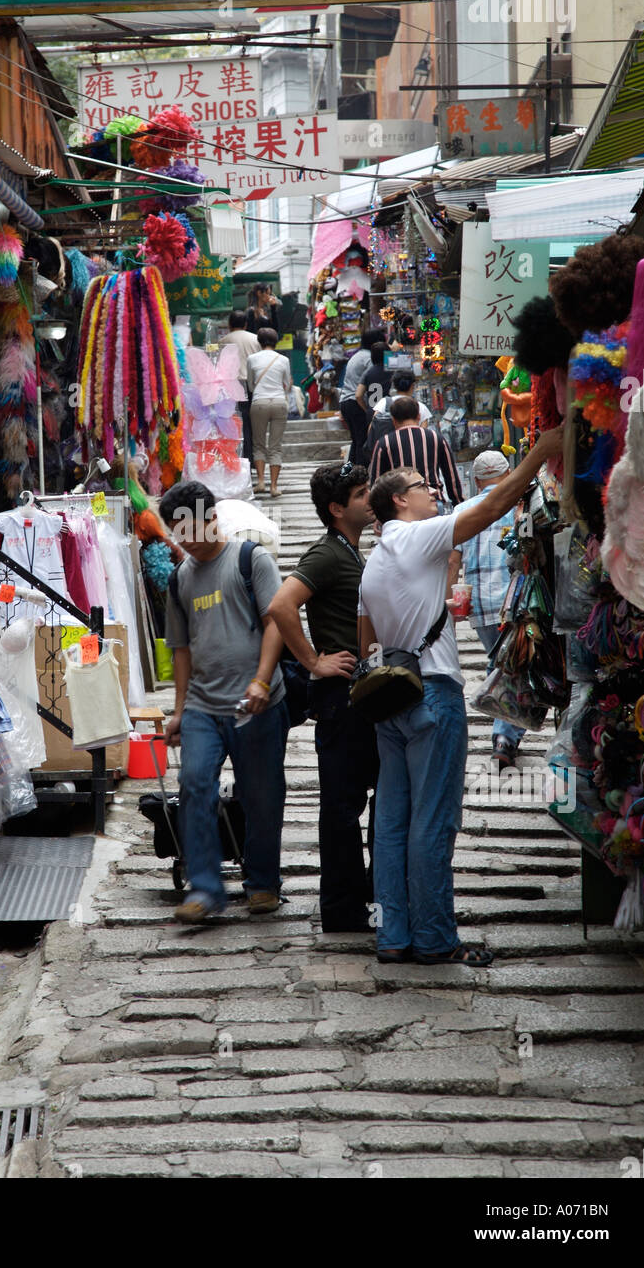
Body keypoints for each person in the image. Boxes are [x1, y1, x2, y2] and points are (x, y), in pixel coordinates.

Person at [357, 425, 564, 968]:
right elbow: (490, 506)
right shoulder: (409, 535)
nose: (433, 492)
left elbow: (367, 639)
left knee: (395, 821)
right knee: (434, 820)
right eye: (424, 486)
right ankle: (433, 938)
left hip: (391, 701)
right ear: (400, 500)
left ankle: (394, 935)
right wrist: (540, 453)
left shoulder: (378, 558)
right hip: (432, 694)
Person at [160, 480, 290, 923]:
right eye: (178, 534)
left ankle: (262, 882)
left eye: (191, 530)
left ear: (211, 518)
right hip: (202, 705)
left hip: (256, 703)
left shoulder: (251, 560)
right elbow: (181, 650)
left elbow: (277, 623)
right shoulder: (179, 578)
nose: (186, 542)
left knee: (261, 794)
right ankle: (205, 887)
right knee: (194, 783)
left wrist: (261, 680)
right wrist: (178, 711)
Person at [268, 461, 379, 932]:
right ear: (336, 509)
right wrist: (315, 661)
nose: (369, 498)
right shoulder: (328, 554)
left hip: (357, 696)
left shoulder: (351, 551)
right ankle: (340, 909)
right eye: (359, 494)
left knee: (359, 798)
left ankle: (362, 897)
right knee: (340, 804)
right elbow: (280, 604)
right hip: (339, 697)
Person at [454, 449, 525, 769]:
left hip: (480, 602)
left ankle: (504, 733)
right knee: (510, 667)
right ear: (508, 474)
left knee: (500, 663)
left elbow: (452, 562)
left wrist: (448, 606)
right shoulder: (519, 506)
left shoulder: (462, 510)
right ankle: (504, 737)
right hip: (517, 601)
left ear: (477, 478)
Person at [368, 396, 464, 507]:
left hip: (401, 508)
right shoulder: (436, 438)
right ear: (419, 416)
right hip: (432, 503)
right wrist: (458, 503)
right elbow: (451, 476)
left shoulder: (384, 443)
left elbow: (377, 483)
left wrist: (379, 515)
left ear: (393, 420)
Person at [247, 327, 292, 498]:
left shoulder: (252, 359)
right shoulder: (283, 360)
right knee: (275, 446)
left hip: (259, 402)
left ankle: (260, 482)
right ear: (276, 341)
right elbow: (286, 384)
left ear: (259, 341)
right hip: (279, 402)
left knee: (258, 444)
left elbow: (251, 386)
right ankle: (274, 486)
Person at [339, 329, 387, 464]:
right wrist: (368, 409)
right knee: (363, 442)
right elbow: (371, 384)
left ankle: (349, 475)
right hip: (356, 403)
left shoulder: (357, 356)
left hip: (346, 402)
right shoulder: (369, 359)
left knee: (356, 441)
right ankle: (360, 476)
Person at [223, 309, 260, 462]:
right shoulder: (256, 339)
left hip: (232, 386)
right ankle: (253, 457)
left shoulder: (223, 341)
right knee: (253, 423)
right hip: (253, 384)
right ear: (245, 324)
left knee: (238, 422)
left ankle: (243, 457)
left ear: (230, 324)